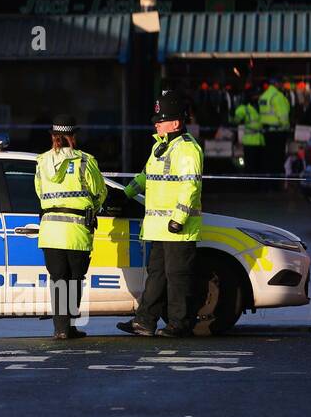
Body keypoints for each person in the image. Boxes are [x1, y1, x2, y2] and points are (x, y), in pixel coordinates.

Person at [118, 90, 204, 337]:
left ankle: (181, 324)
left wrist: (178, 219)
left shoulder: (187, 149)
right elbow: (146, 177)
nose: (156, 123)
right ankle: (144, 321)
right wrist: (124, 194)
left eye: (161, 120)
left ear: (175, 123)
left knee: (177, 277)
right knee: (156, 275)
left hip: (178, 228)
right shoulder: (160, 147)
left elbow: (191, 186)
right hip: (159, 227)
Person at [33, 114, 104, 340]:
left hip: (50, 232)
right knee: (74, 279)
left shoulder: (42, 161)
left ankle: (60, 328)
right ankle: (70, 326)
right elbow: (99, 191)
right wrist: (94, 206)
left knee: (57, 279)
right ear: (73, 136)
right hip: (76, 232)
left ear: (53, 136)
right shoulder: (85, 160)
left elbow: (39, 192)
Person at [257, 78, 292, 189]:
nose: (283, 86)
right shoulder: (278, 97)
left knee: (268, 160)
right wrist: (287, 127)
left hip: (267, 133)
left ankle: (268, 185)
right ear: (277, 84)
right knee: (277, 160)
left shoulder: (264, 96)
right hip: (278, 132)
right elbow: (283, 117)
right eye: (281, 83)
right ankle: (277, 185)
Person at [232, 87, 265, 188]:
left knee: (258, 166)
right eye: (255, 95)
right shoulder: (244, 108)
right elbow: (235, 120)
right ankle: (250, 186)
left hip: (260, 141)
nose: (257, 97)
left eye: (258, 95)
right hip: (250, 142)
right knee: (250, 167)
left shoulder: (261, 107)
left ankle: (257, 186)